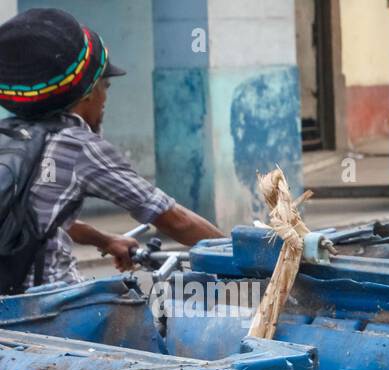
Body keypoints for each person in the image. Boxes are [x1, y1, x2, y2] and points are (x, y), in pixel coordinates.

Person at [0, 8, 223, 291]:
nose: (105, 99)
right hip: (50, 307)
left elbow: (36, 220)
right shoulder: (79, 145)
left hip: (9, 307)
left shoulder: (10, 135)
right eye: (105, 85)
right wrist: (236, 252)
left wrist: (105, 240)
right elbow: (173, 219)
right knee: (150, 316)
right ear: (89, 92)